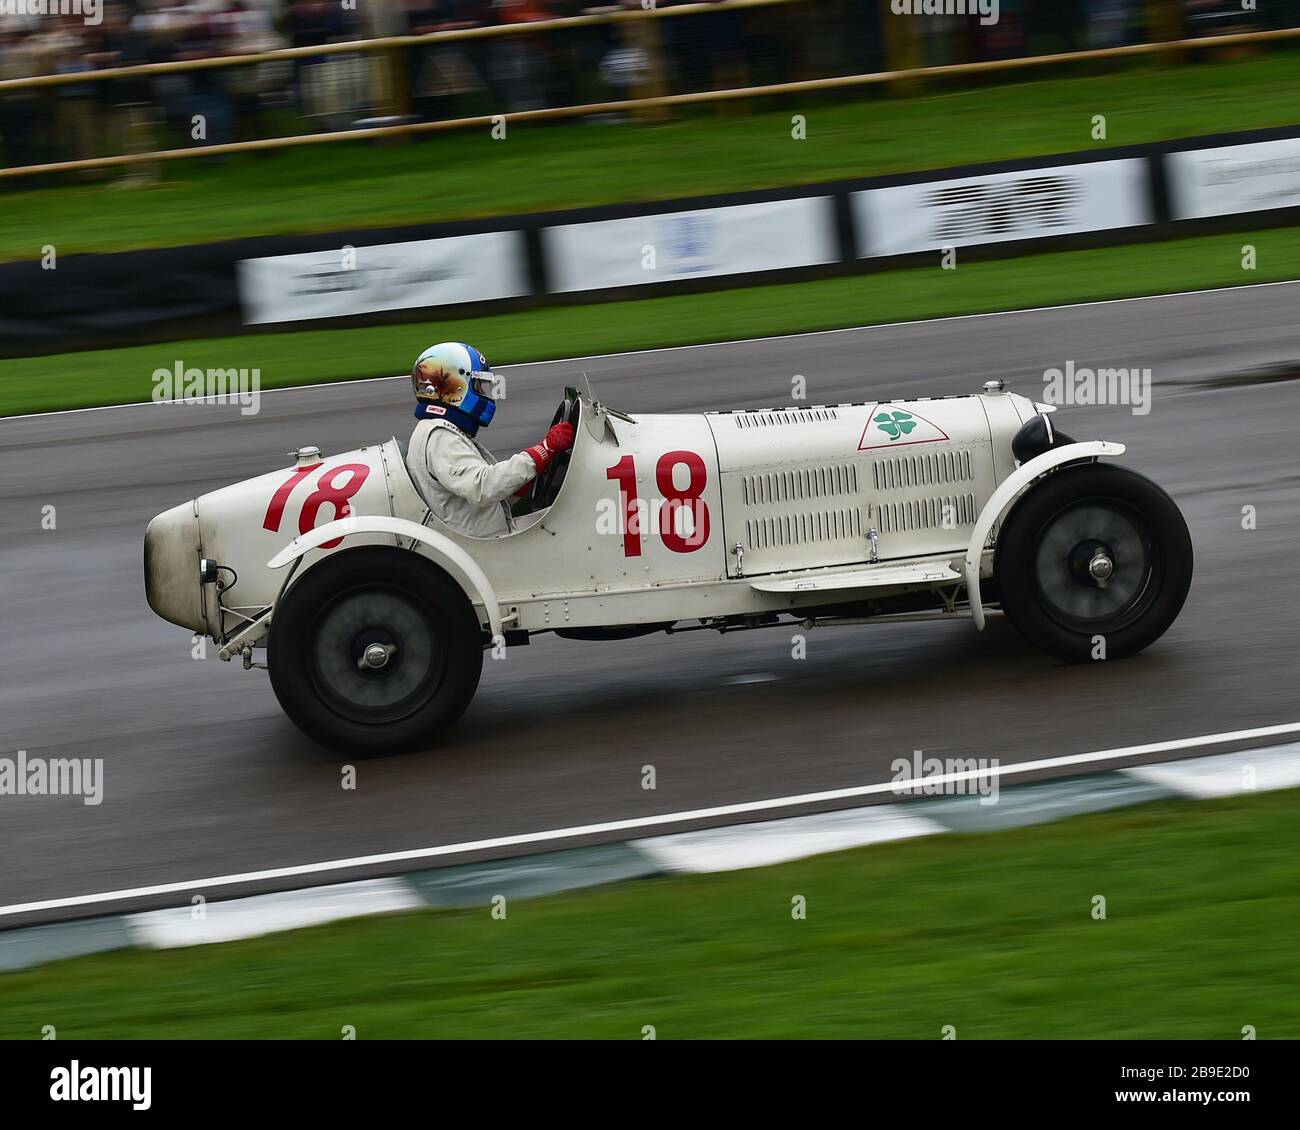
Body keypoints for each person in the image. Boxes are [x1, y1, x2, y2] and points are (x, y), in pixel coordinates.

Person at [405, 342, 575, 537]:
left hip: (484, 531)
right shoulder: (439, 437)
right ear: (454, 387)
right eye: (476, 386)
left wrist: (522, 483)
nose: (482, 393)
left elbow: (473, 492)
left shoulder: (436, 430)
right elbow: (483, 487)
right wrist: (544, 450)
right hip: (485, 544)